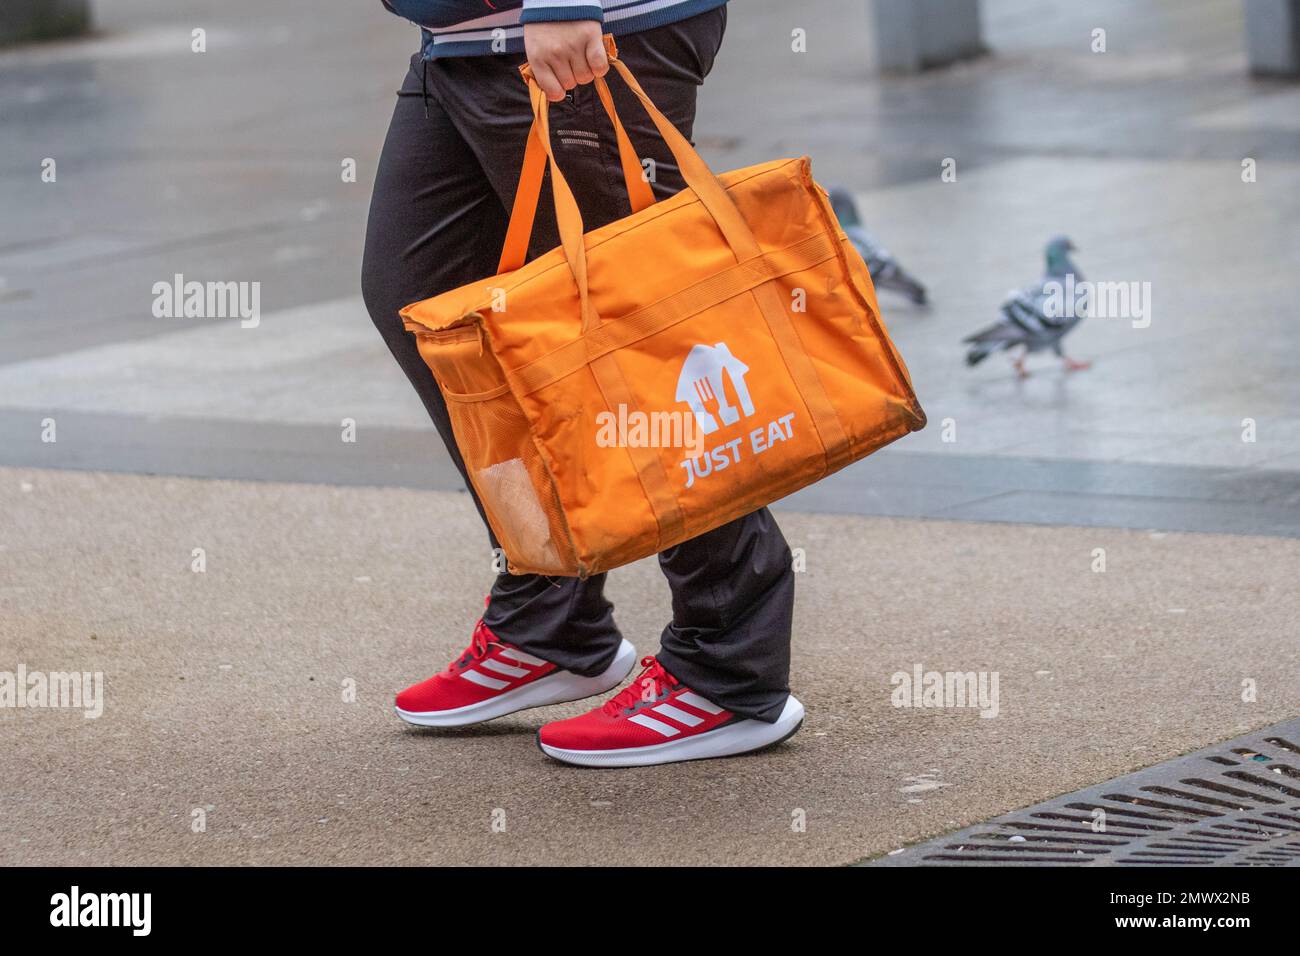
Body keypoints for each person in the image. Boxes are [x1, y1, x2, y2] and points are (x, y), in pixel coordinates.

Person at [362, 0, 804, 767]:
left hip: (585, 28)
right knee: (424, 302)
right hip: (460, 41)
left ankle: (729, 666)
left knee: (636, 332)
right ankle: (550, 610)